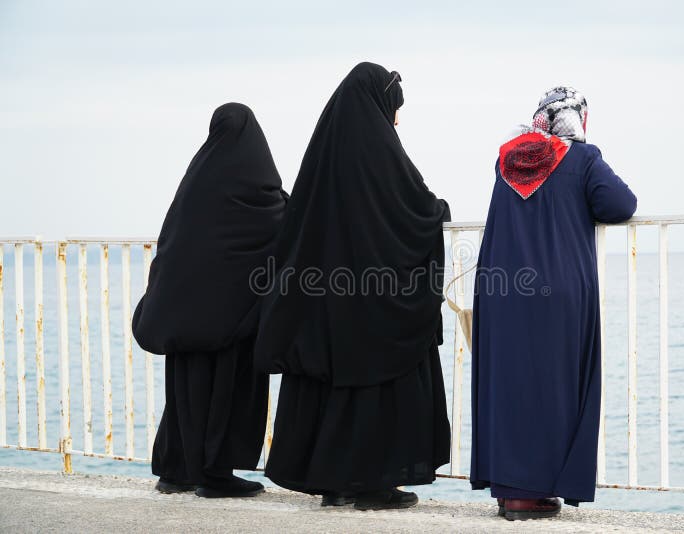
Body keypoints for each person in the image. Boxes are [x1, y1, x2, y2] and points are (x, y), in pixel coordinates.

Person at [253, 62, 451, 510]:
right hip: (372, 298)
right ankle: (371, 484)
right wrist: (438, 210)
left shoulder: (324, 152)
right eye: (394, 109)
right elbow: (411, 209)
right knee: (378, 379)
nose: (396, 120)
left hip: (326, 299)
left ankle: (336, 483)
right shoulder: (379, 151)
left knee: (336, 383)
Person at [470, 87, 637, 520]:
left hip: (503, 287)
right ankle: (532, 491)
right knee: (554, 388)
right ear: (576, 119)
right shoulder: (581, 158)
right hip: (558, 292)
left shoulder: (507, 157)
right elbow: (620, 204)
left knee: (510, 385)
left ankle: (511, 491)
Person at [133, 103, 290, 498]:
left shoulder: (194, 183)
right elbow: (276, 231)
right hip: (230, 321)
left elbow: (172, 244)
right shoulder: (259, 192)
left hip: (187, 318)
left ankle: (176, 471)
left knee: (185, 394)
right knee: (225, 391)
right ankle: (215, 475)